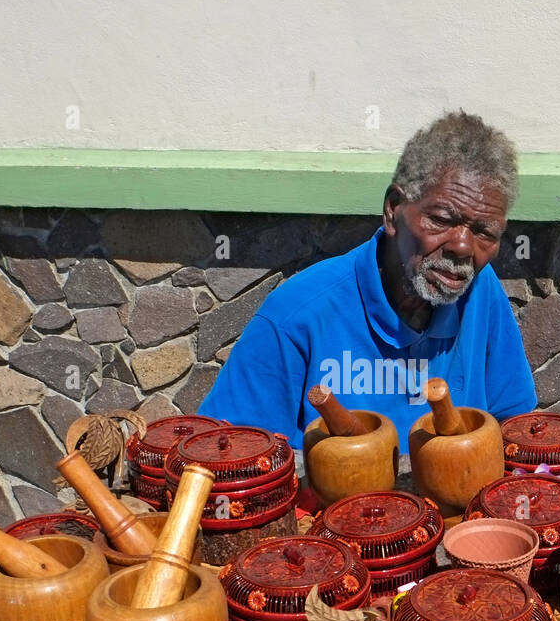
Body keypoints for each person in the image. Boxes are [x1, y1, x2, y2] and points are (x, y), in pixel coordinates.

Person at [199, 110, 537, 452]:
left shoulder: (481, 292)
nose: (463, 247)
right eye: (442, 219)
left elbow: (516, 431)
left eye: (484, 233)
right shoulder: (296, 315)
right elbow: (231, 457)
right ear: (393, 209)